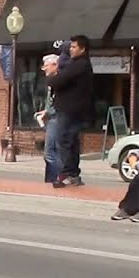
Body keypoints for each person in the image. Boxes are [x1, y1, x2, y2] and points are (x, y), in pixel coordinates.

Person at [46, 35, 94, 188]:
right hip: (73, 109)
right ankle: (73, 174)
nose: (71, 50)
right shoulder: (79, 64)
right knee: (71, 142)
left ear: (82, 49)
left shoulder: (79, 65)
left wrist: (52, 76)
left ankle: (67, 173)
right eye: (71, 47)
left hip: (70, 110)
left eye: (74, 47)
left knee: (65, 140)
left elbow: (58, 80)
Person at [36, 54, 60, 184]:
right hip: (53, 117)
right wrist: (46, 111)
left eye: (46, 66)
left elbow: (59, 103)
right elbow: (51, 100)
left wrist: (49, 111)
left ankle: (55, 179)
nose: (44, 68)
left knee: (51, 151)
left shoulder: (58, 81)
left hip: (57, 118)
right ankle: (52, 178)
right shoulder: (52, 81)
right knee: (52, 150)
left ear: (55, 65)